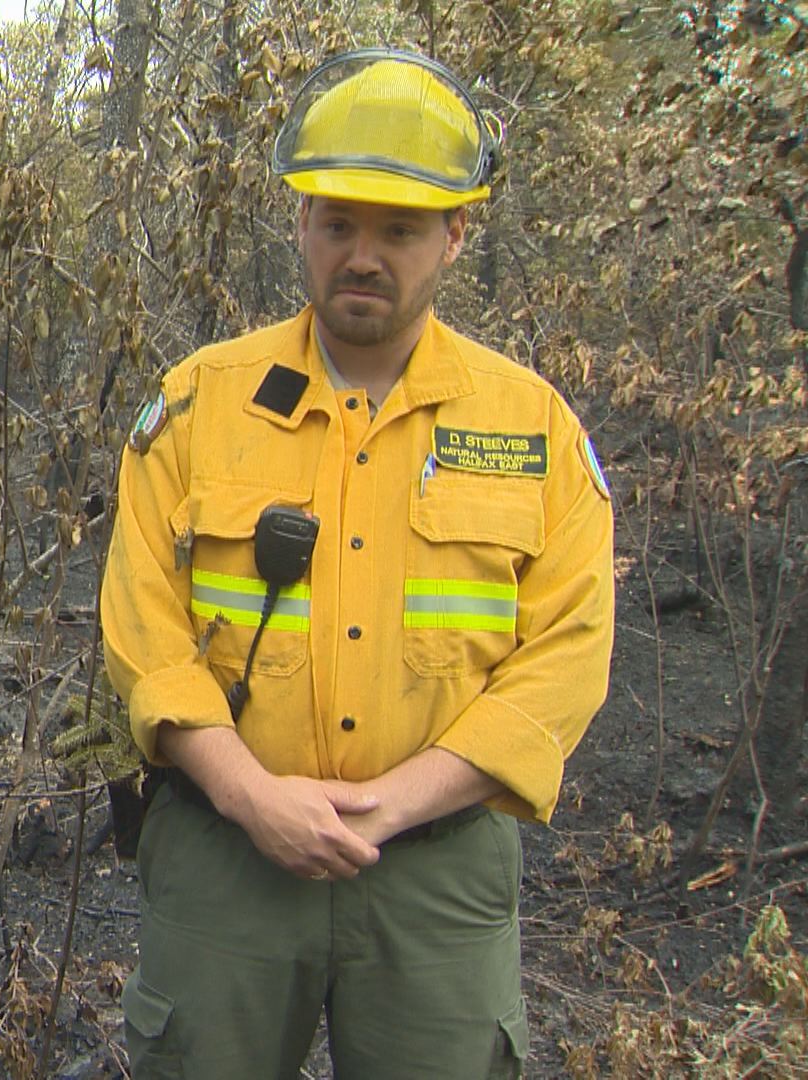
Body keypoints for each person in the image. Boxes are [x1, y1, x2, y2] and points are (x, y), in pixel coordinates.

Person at [100, 48, 614, 1078]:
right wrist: (251, 795)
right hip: (226, 861)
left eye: (400, 229)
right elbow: (144, 628)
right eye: (339, 224)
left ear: (456, 234)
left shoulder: (533, 427)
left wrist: (401, 799)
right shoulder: (201, 404)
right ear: (300, 223)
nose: (363, 256)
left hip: (437, 878)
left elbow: (566, 653)